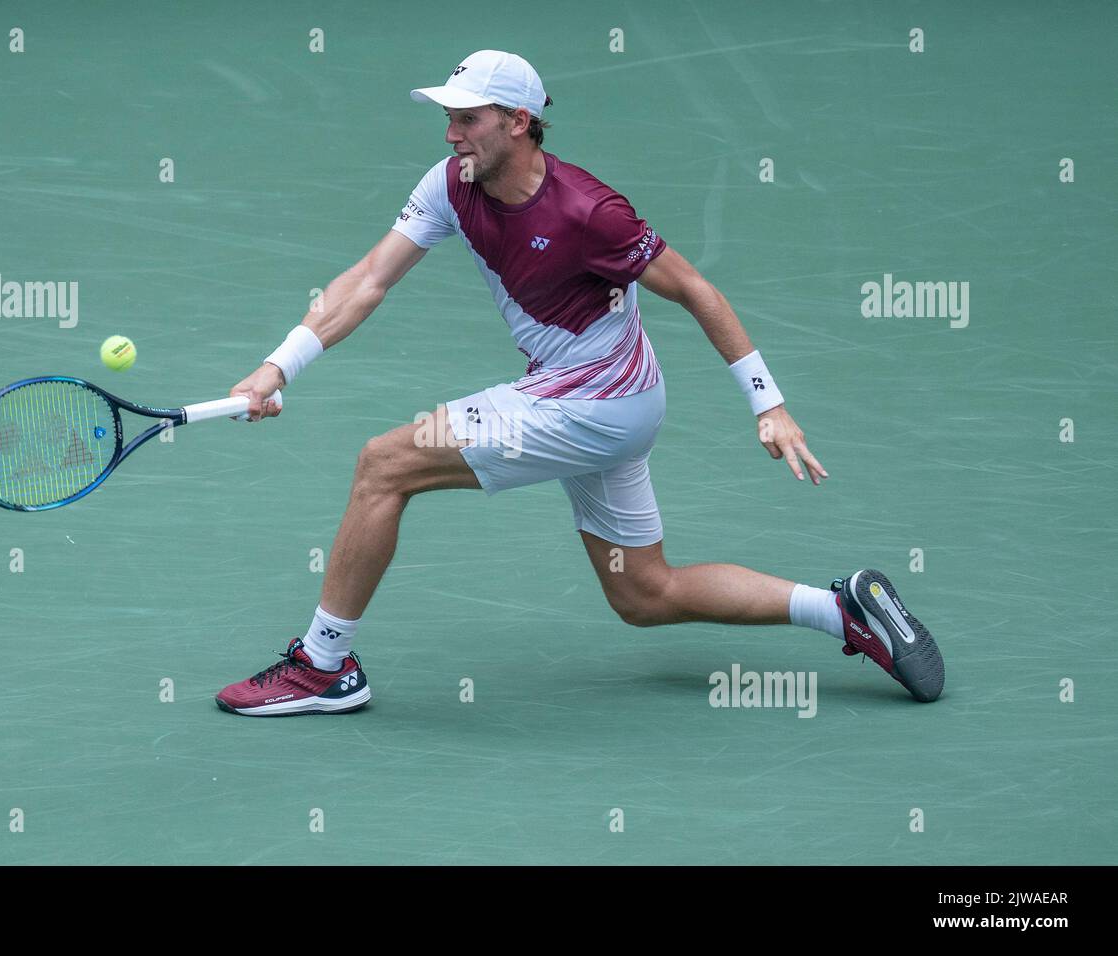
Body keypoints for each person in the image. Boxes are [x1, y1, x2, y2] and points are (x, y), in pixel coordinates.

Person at [216, 50, 944, 717]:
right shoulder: (451, 184)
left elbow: (696, 290)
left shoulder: (590, 212)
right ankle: (843, 608)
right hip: (594, 400)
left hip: (598, 403)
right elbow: (369, 279)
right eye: (448, 117)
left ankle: (323, 665)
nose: (450, 135)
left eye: (467, 119)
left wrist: (771, 404)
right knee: (644, 593)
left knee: (385, 463)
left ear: (518, 122)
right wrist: (281, 365)